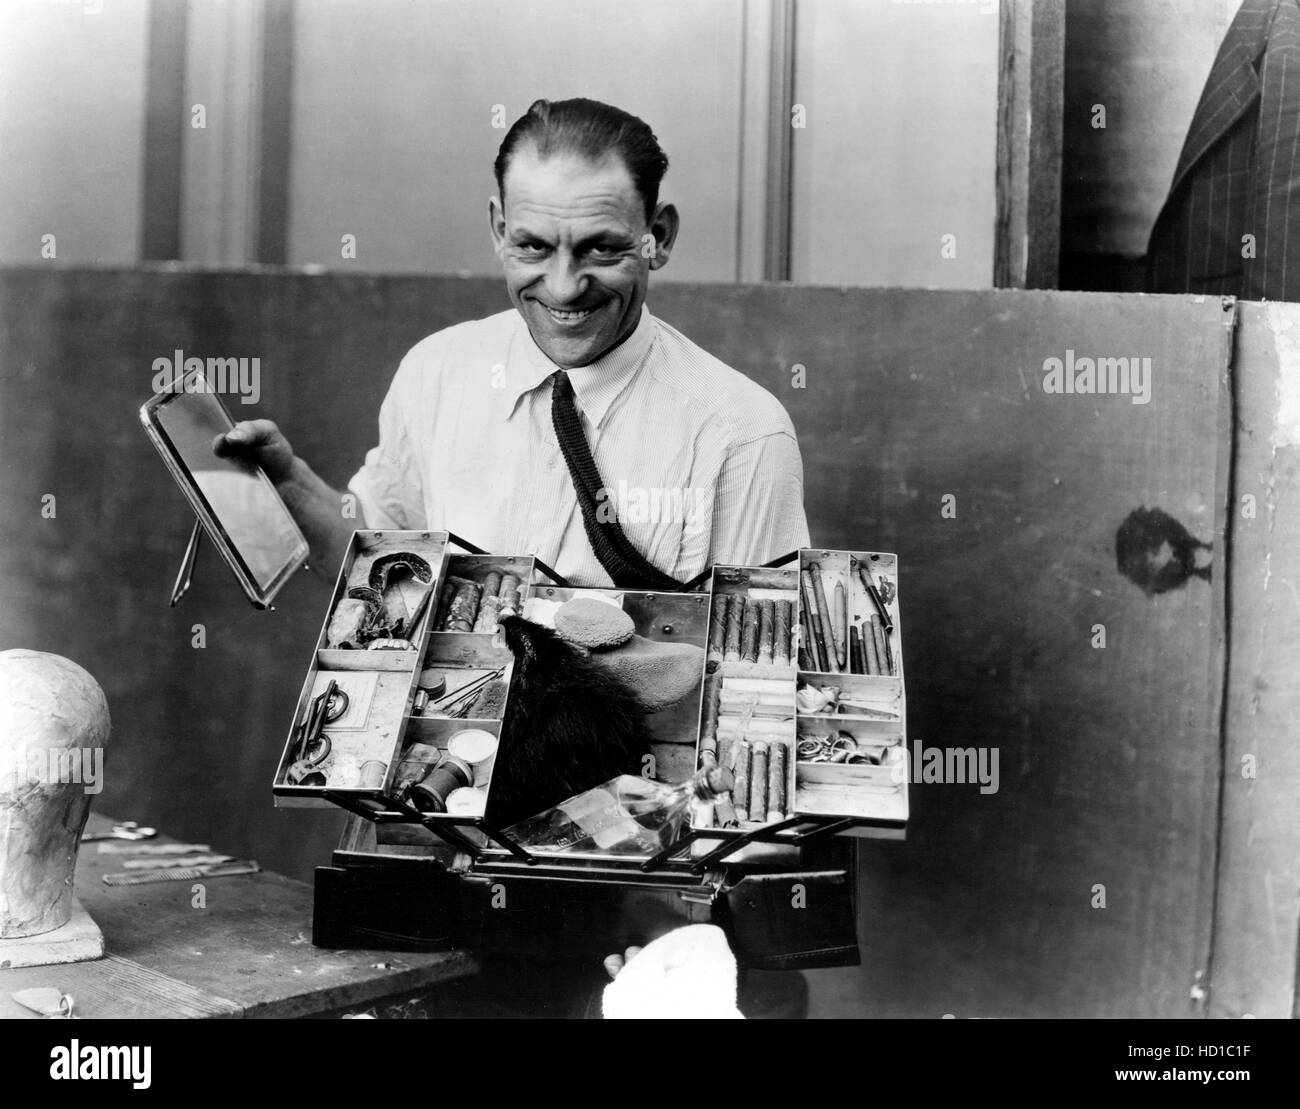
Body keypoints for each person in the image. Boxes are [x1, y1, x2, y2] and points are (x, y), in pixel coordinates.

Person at [215, 97, 809, 587]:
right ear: (500, 229)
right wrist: (289, 481)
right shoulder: (435, 373)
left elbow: (746, 673)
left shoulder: (744, 432)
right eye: (533, 246)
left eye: (602, 248)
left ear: (657, 236)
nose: (564, 287)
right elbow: (378, 567)